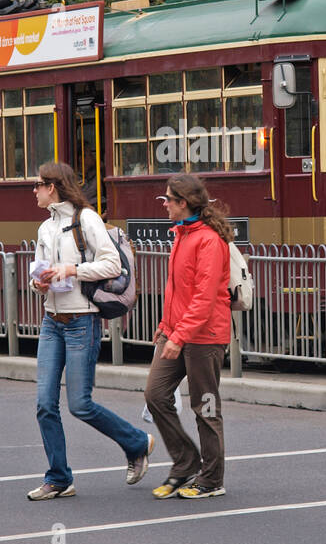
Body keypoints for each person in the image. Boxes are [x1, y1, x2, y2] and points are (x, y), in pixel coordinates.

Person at [26, 161, 152, 500]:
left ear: (52, 186)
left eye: (37, 185)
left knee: (80, 405)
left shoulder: (87, 219)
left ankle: (137, 442)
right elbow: (38, 271)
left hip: (83, 320)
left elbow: (112, 264)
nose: (34, 191)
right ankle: (59, 477)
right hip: (52, 321)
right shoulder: (45, 228)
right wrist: (38, 282)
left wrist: (72, 269)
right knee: (44, 404)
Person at [143, 173, 232, 499]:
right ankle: (186, 462)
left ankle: (211, 480)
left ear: (184, 203)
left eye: (168, 199)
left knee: (205, 408)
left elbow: (204, 298)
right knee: (155, 395)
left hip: (205, 337)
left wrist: (178, 336)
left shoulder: (208, 240)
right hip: (179, 332)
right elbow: (178, 290)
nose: (164, 204)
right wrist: (167, 327)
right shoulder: (182, 234)